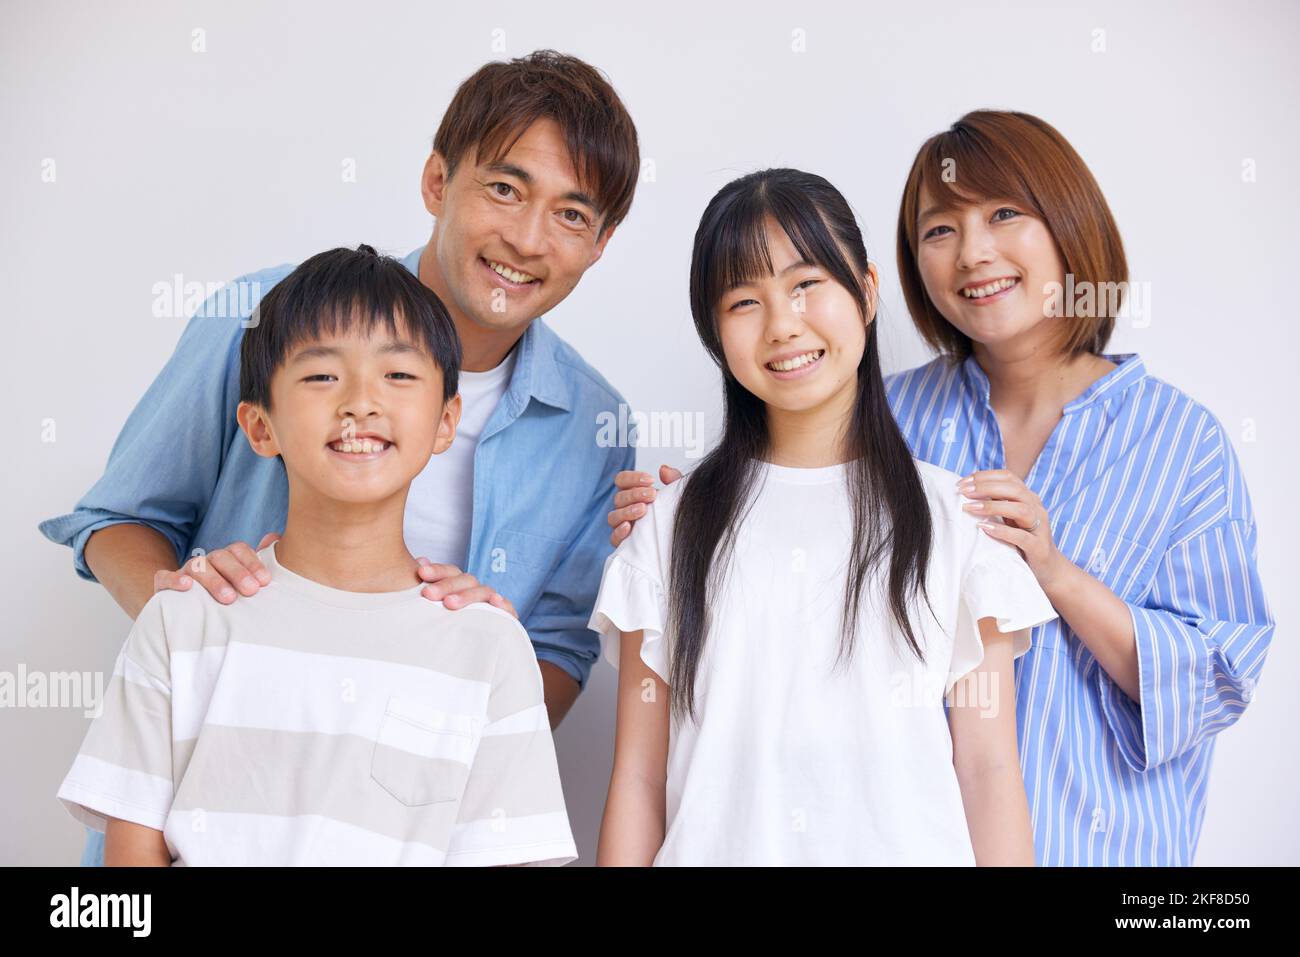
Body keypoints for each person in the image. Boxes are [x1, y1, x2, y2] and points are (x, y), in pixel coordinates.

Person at [608, 112, 1275, 866]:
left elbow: (1217, 677)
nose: (973, 252)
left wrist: (1054, 574)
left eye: (1003, 214)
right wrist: (685, 511)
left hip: (1102, 849)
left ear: (1070, 224)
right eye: (939, 230)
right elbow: (787, 513)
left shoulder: (1181, 442)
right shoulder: (893, 412)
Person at [41, 51, 640, 865]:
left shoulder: (595, 425)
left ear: (600, 243)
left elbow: (557, 649)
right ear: (437, 182)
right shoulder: (266, 320)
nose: (528, 238)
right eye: (504, 188)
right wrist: (185, 611)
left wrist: (466, 688)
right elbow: (118, 519)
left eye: (573, 215)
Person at [591, 169, 1058, 865]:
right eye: (744, 300)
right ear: (715, 335)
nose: (783, 324)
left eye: (806, 283)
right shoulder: (667, 525)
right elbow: (636, 775)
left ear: (866, 291)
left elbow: (989, 770)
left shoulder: (959, 522)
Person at [56, 245, 577, 866]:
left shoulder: (488, 647)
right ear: (259, 427)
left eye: (399, 375)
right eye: (322, 375)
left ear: (446, 420)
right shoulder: (181, 621)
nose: (361, 401)